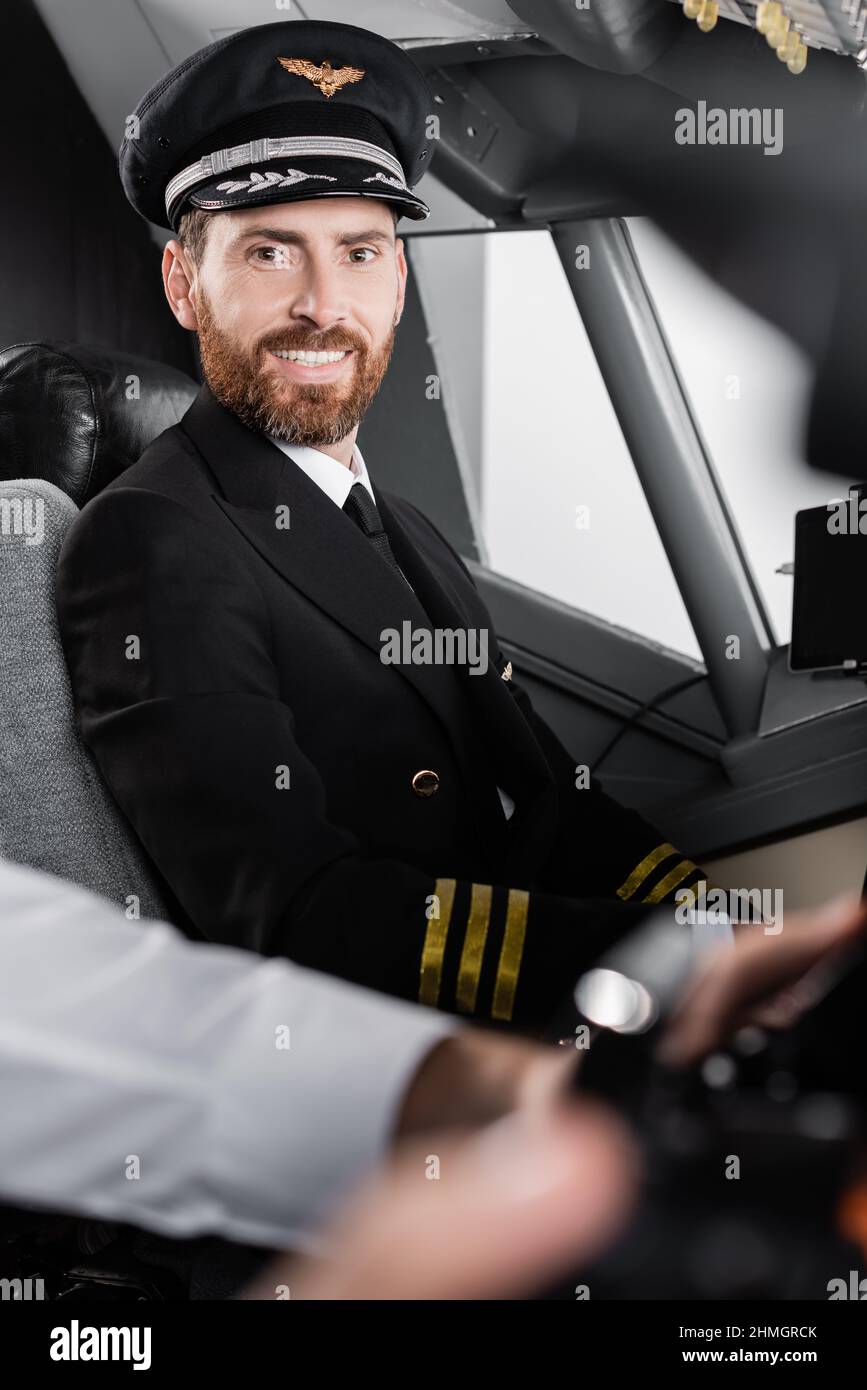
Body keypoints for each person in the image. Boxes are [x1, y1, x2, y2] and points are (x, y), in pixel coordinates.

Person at [56, 20, 737, 1031]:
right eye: (270, 251)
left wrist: (719, 927)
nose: (323, 304)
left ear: (399, 279)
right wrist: (645, 972)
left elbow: (550, 800)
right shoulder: (153, 540)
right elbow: (297, 914)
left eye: (360, 251)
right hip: (406, 1077)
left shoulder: (405, 529)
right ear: (184, 286)